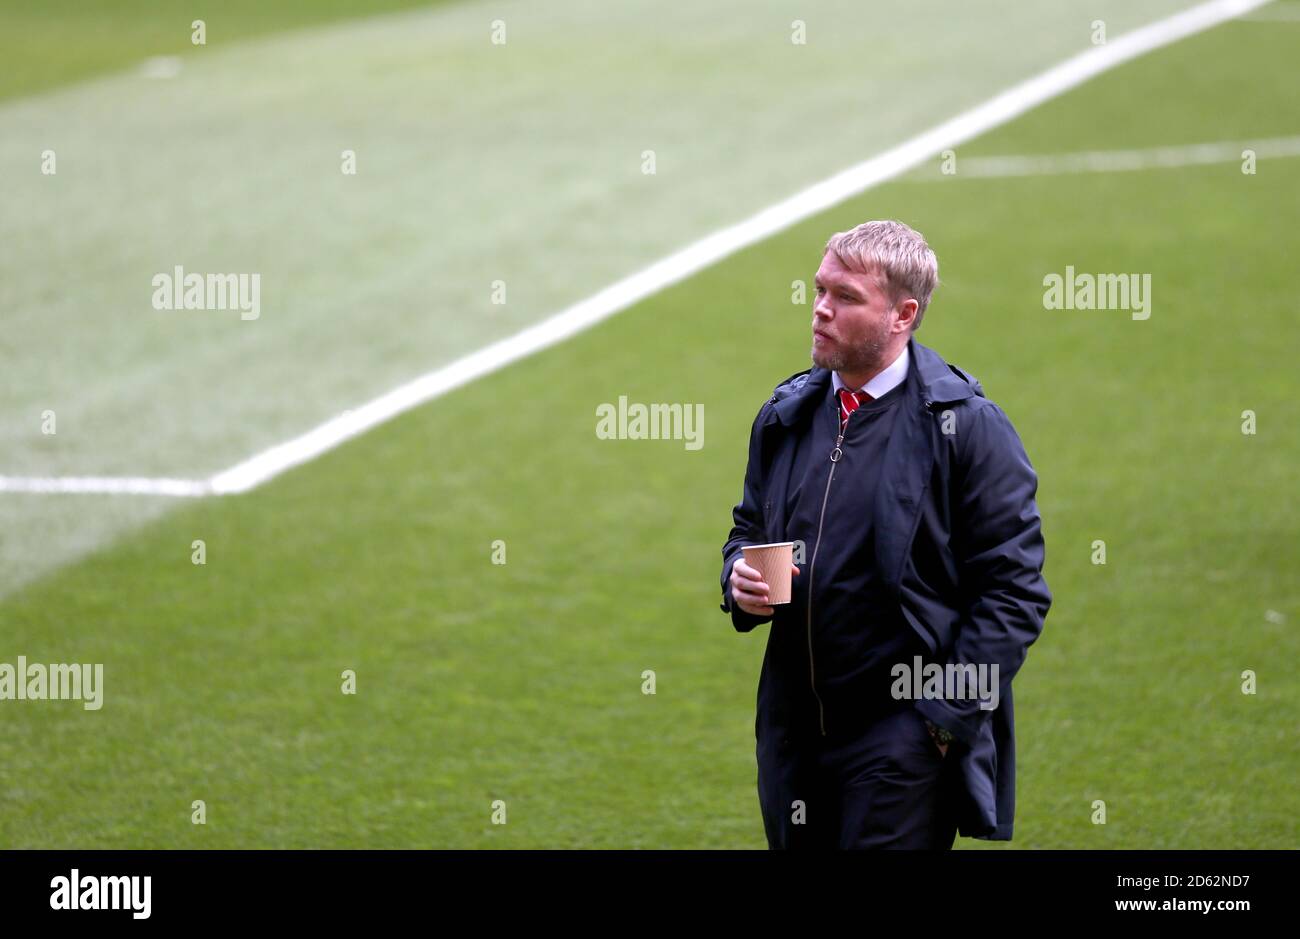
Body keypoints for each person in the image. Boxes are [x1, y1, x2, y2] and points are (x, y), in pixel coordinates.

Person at [718, 220, 1051, 849]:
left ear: (903, 313)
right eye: (818, 290)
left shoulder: (967, 429)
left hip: (901, 740)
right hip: (793, 737)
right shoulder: (787, 415)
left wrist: (939, 723)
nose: (820, 309)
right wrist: (738, 576)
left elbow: (1014, 593)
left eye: (845, 297)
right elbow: (750, 528)